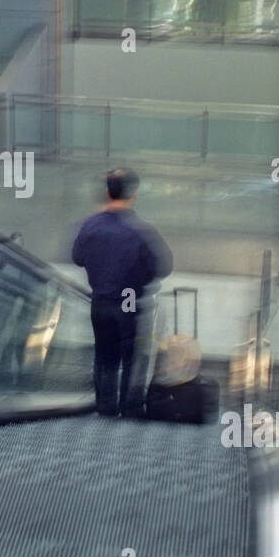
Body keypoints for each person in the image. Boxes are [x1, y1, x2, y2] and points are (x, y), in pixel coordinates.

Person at [72, 168, 173, 416]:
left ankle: (105, 406)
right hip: (130, 302)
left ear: (107, 192)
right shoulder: (141, 230)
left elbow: (77, 258)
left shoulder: (89, 225)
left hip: (101, 301)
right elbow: (163, 266)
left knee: (105, 355)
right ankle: (131, 408)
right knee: (133, 356)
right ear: (134, 195)